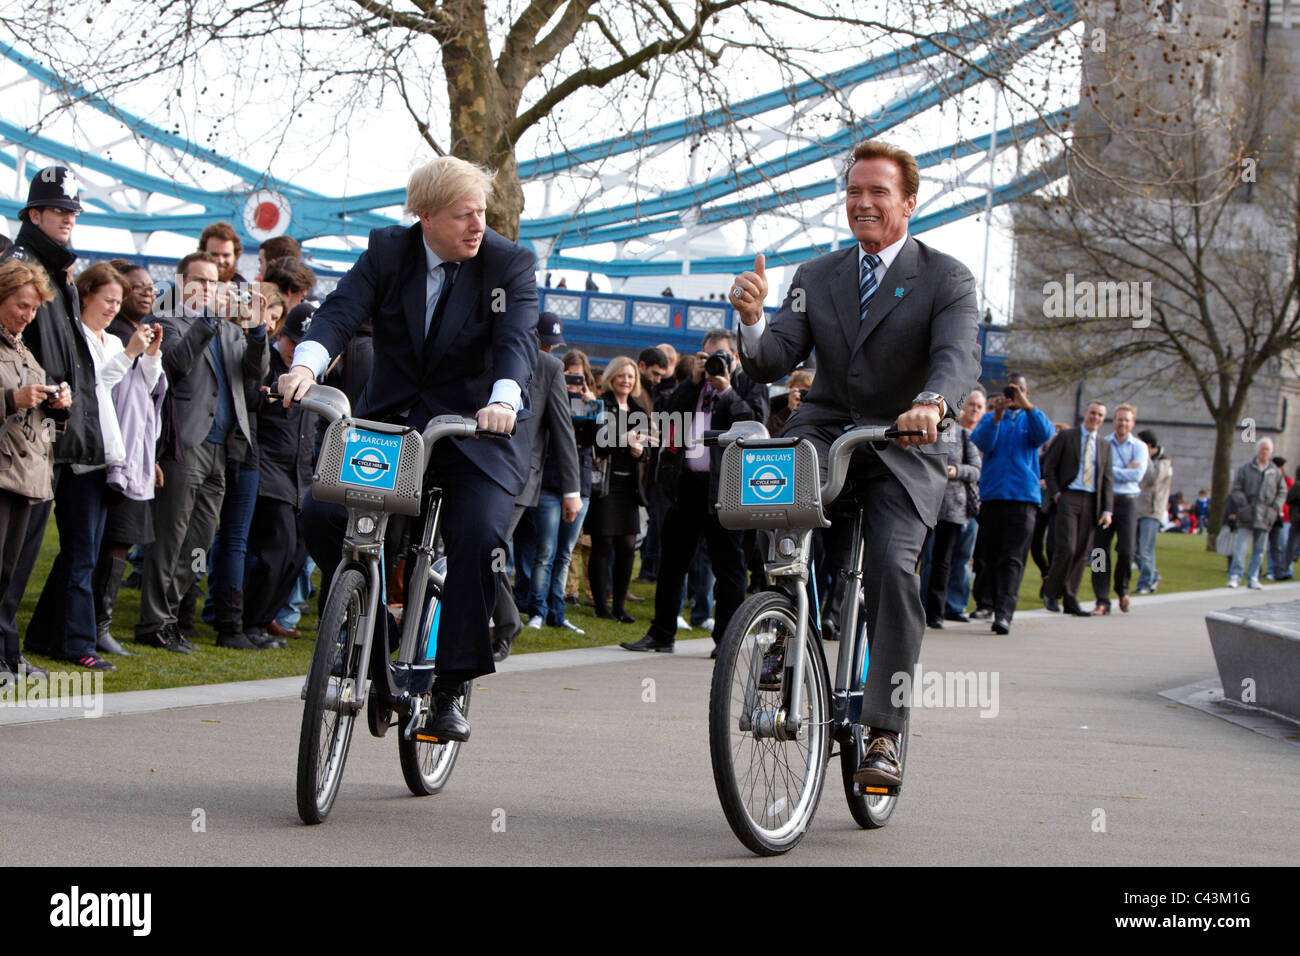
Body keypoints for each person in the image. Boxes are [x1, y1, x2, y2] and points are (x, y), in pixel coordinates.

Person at [730, 138, 979, 786]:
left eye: (878, 193)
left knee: (893, 572)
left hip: (904, 444)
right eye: (853, 193)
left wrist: (932, 402)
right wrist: (753, 319)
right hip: (827, 430)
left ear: (909, 203)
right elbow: (773, 358)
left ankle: (886, 732)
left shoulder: (946, 278)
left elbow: (956, 357)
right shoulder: (816, 275)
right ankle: (780, 635)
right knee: (768, 506)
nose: (862, 204)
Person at [279, 156, 538, 744]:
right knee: (320, 515)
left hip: (475, 431)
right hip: (393, 423)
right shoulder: (388, 251)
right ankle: (362, 626)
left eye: (481, 213)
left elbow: (516, 339)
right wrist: (305, 366)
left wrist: (503, 399)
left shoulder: (507, 263)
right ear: (424, 216)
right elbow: (341, 312)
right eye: (463, 215)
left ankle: (449, 686)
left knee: (476, 537)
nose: (478, 226)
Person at [26, 263, 160, 670]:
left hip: (108, 457)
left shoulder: (106, 339)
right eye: (108, 300)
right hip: (82, 457)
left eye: (117, 302)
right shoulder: (78, 337)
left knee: (81, 555)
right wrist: (131, 353)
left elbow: (140, 389)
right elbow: (93, 385)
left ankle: (46, 634)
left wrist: (148, 357)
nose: (112, 308)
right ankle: (77, 643)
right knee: (81, 554)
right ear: (85, 295)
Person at [135, 251, 268, 653]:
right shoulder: (168, 323)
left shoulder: (230, 330)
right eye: (200, 281)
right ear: (181, 284)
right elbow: (174, 366)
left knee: (198, 545)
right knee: (169, 541)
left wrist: (259, 333)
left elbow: (254, 377)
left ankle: (173, 619)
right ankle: (153, 622)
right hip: (183, 445)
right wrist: (207, 321)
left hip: (223, 448)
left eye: (214, 282)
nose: (208, 289)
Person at [0, 166, 99, 671]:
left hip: (47, 431)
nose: (68, 219)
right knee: (7, 560)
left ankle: (9, 652)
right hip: (18, 433)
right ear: (34, 214)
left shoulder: (58, 272)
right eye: (59, 210)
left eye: (73, 212)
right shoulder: (19, 265)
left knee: (21, 557)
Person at [622, 329, 766, 653]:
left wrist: (726, 390)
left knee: (728, 567)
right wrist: (692, 381)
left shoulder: (749, 385)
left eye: (720, 357)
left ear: (736, 357)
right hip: (686, 486)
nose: (713, 363)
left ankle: (726, 641)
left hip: (728, 489)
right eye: (706, 357)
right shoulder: (693, 387)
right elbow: (667, 414)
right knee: (671, 563)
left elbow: (757, 426)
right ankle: (661, 634)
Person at [0, 260, 70, 683]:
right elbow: (12, 404)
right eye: (20, 306)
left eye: (33, 308)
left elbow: (44, 430)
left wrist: (56, 411)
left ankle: (9, 655)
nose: (27, 315)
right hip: (4, 476)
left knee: (11, 576)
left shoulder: (25, 350)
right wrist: (12, 398)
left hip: (30, 479)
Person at [507, 312, 580, 659]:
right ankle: (500, 619)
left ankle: (503, 621)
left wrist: (572, 491)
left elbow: (563, 430)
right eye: (545, 340)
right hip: (475, 468)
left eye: (552, 343)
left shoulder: (549, 367)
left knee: (491, 551)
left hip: (521, 477)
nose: (548, 347)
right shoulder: (496, 350)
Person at [969, 373, 1054, 634]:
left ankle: (1004, 613)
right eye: (1010, 392)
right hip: (994, 496)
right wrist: (996, 415)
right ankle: (989, 603)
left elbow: (1045, 435)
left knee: (1013, 558)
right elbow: (981, 442)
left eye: (1019, 391)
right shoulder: (992, 418)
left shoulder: (1032, 418)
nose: (1013, 397)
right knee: (990, 557)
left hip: (1023, 498)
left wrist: (1027, 406)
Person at [587, 356, 649, 623]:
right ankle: (601, 605)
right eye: (622, 375)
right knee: (603, 543)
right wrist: (623, 440)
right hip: (605, 484)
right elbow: (597, 443)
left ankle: (620, 606)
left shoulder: (638, 409)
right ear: (612, 377)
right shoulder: (602, 405)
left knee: (627, 544)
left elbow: (647, 452)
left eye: (631, 377)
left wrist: (639, 451)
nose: (626, 380)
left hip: (629, 485)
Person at [1040, 401, 1113, 616]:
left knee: (1082, 553)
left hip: (1092, 501)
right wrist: (1056, 493)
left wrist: (1107, 509)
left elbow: (1108, 479)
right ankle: (1051, 592)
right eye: (1093, 413)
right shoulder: (1067, 436)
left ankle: (1071, 598)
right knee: (1067, 548)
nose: (1095, 418)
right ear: (1085, 414)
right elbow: (1049, 466)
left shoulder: (1104, 445)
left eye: (1100, 415)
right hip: (1068, 497)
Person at [925, 401, 981, 628]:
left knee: (943, 562)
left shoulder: (964, 435)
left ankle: (936, 612)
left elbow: (976, 469)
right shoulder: (927, 429)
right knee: (917, 560)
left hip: (952, 510)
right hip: (925, 505)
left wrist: (956, 471)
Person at [1090, 403, 1148, 614]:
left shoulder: (1139, 447)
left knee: (1127, 550)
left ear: (1132, 423)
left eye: (1127, 419)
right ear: (1113, 421)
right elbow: (1098, 471)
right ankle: (1101, 598)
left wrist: (1110, 471)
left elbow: (1138, 475)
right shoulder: (1103, 443)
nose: (1122, 423)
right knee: (1099, 551)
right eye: (1119, 419)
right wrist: (1123, 469)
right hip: (1105, 500)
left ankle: (1122, 588)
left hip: (1128, 501)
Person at [944, 386, 986, 621]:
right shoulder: (952, 432)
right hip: (947, 504)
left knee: (963, 558)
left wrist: (957, 470)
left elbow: (977, 469)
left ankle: (956, 604)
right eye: (971, 404)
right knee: (938, 558)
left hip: (973, 505)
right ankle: (932, 603)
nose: (974, 410)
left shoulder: (986, 434)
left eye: (980, 407)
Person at [1224, 439, 1285, 589]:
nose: (1265, 452)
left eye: (1268, 449)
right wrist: (1243, 504)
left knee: (1259, 550)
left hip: (1265, 516)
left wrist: (1275, 507)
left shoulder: (1275, 472)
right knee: (1241, 548)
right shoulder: (1245, 469)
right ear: (1258, 450)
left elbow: (1282, 491)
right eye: (1263, 449)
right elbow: (1236, 489)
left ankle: (1253, 577)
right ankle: (1235, 576)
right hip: (1247, 514)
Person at [1134, 429, 1172, 594]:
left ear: (1148, 446)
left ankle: (1146, 583)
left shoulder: (1164, 462)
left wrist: (1146, 459)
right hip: (1136, 508)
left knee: (1145, 549)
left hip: (1151, 510)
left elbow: (1153, 480)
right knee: (1132, 549)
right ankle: (1153, 575)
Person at [1267, 457, 1293, 581]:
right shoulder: (1271, 479)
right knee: (1272, 545)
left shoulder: (1289, 481)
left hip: (1285, 516)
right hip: (1273, 515)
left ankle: (1286, 569)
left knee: (1283, 544)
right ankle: (1272, 570)